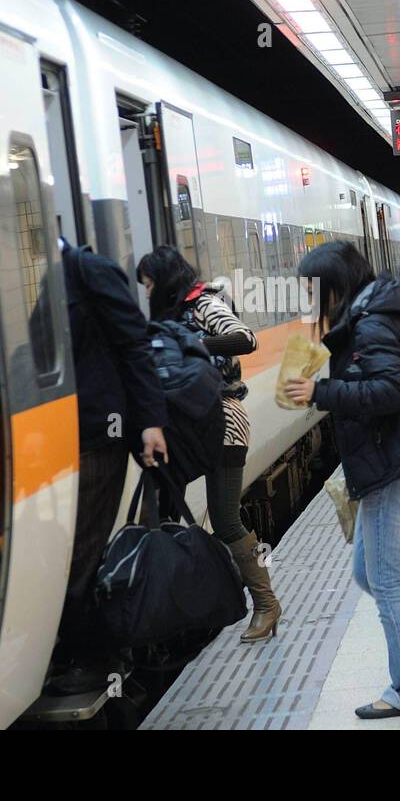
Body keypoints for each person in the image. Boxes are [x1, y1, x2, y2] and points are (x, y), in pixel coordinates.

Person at [284, 241, 400, 719]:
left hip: (390, 462)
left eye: (316, 291)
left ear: (335, 285)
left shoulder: (374, 320)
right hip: (382, 460)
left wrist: (320, 390)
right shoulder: (369, 313)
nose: (314, 302)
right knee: (367, 573)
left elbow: (390, 391)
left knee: (385, 580)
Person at [137, 246, 282, 643]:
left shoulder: (202, 303)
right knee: (163, 516)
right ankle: (179, 611)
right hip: (182, 429)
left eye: (150, 284)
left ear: (164, 280)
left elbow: (244, 338)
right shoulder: (162, 318)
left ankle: (266, 605)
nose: (147, 293)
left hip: (222, 421)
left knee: (225, 519)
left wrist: (196, 346)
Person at [50, 239, 168, 696]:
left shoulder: (87, 270)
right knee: (73, 547)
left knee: (83, 548)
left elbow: (134, 346)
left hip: (102, 434)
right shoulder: (50, 277)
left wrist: (150, 422)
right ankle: (80, 651)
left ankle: (94, 658)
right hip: (62, 436)